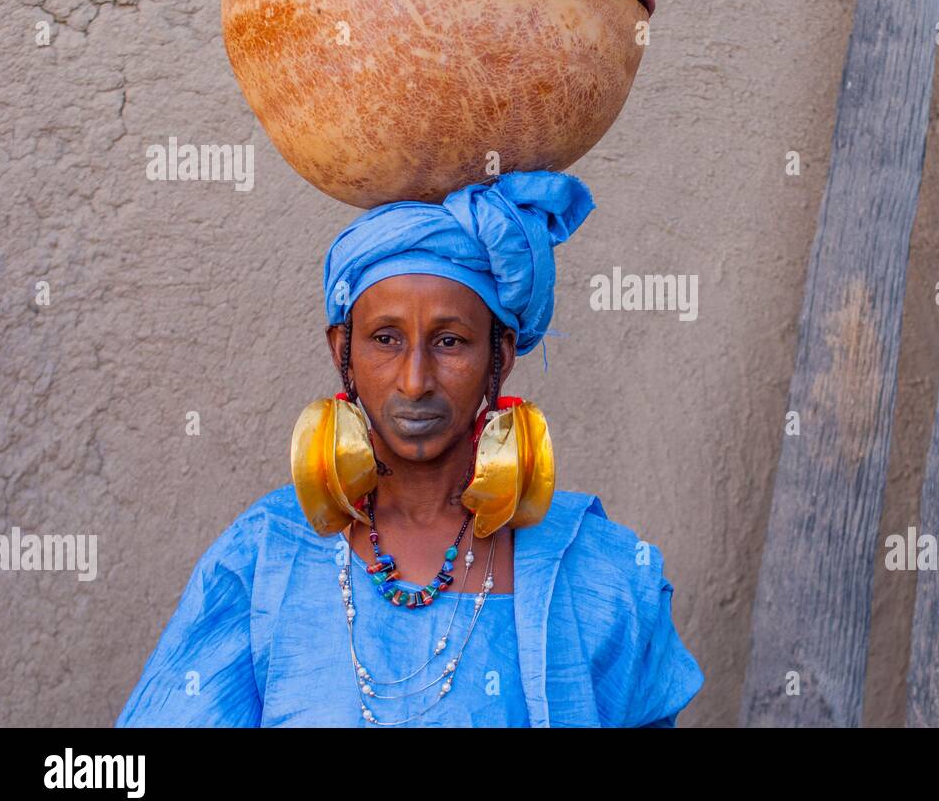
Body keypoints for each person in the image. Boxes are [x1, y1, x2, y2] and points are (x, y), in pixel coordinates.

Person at [115, 170, 704, 727]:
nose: (415, 379)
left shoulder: (595, 571)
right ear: (341, 350)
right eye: (385, 339)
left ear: (500, 355)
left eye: (450, 341)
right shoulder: (265, 557)